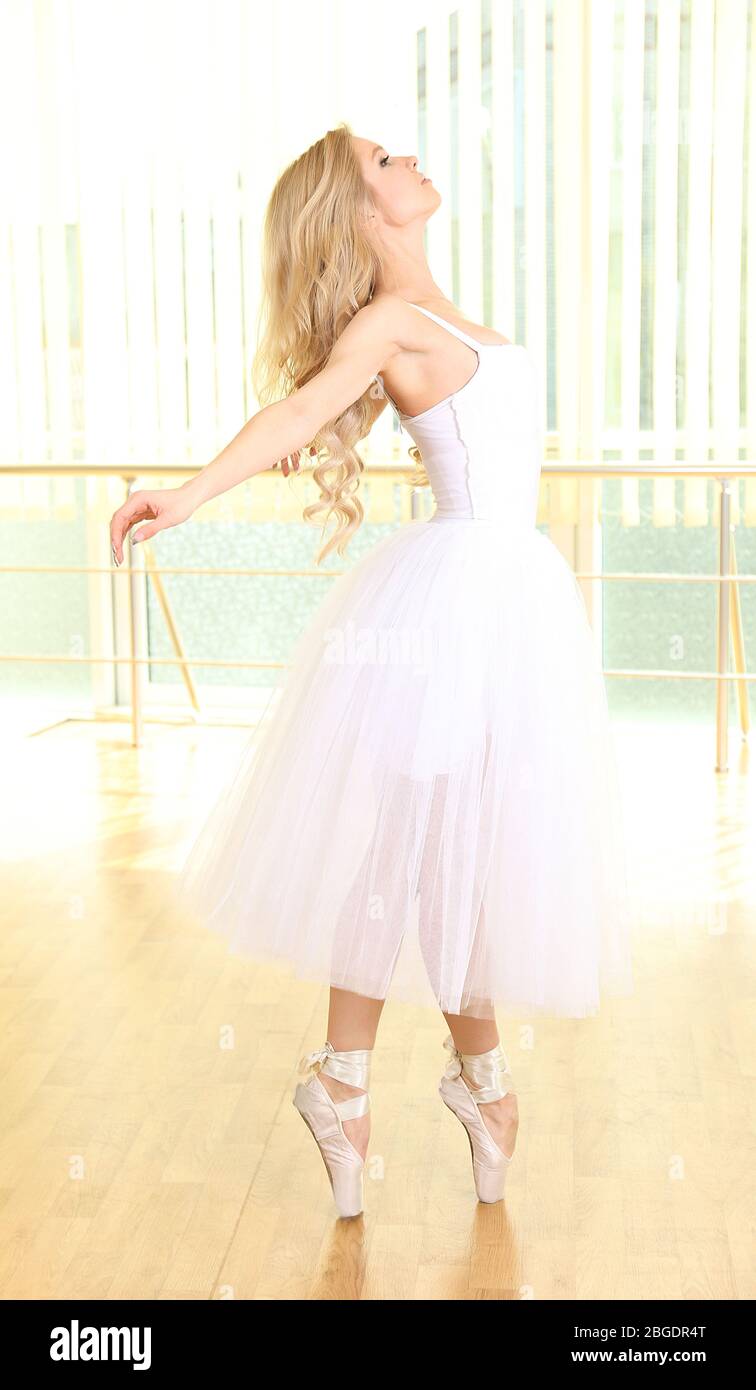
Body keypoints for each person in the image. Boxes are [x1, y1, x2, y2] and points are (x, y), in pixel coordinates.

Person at [110, 122, 633, 1219]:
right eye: (387, 161)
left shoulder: (436, 316)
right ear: (363, 211)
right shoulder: (392, 322)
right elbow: (300, 411)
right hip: (457, 605)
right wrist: (190, 493)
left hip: (506, 602)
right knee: (422, 843)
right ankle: (405, 1083)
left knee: (456, 852)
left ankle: (405, 1084)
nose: (413, 162)